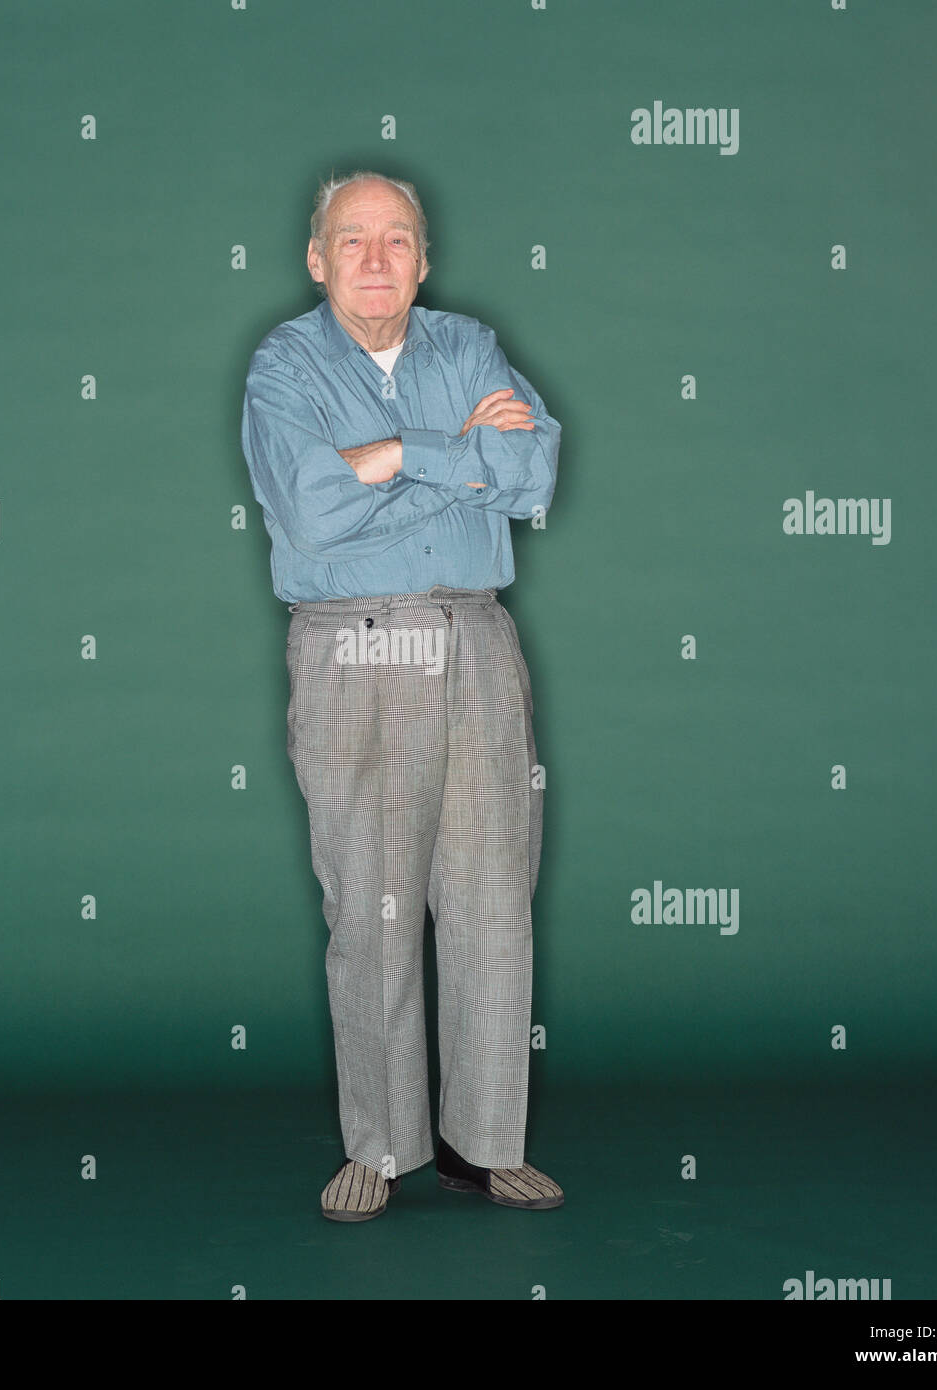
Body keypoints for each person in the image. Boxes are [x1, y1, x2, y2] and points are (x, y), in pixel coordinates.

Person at [241, 170, 562, 1220]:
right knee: (370, 905)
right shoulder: (285, 365)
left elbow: (530, 470)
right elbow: (313, 509)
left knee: (491, 896)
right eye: (353, 239)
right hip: (354, 647)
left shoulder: (468, 346)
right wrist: (456, 458)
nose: (375, 259)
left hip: (476, 637)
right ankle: (377, 1147)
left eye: (396, 240)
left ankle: (485, 1139)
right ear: (316, 258)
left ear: (422, 260)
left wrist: (392, 456)